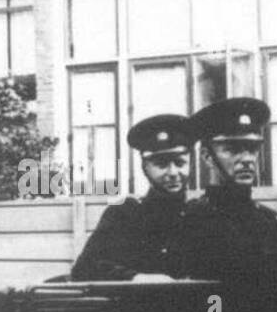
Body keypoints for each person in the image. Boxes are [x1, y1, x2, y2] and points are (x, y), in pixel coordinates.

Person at [171, 97, 277, 283]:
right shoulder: (196, 216)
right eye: (233, 150)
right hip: (215, 309)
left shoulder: (269, 219)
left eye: (252, 149)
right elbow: (245, 263)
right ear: (207, 157)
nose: (247, 159)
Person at [71, 114, 193, 281]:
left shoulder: (202, 213)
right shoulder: (125, 214)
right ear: (145, 168)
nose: (172, 173)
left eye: (180, 163)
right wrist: (136, 278)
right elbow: (84, 269)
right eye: (161, 164)